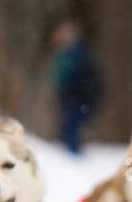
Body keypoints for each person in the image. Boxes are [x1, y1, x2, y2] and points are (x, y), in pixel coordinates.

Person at [48, 20, 100, 155]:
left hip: (78, 99)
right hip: (72, 99)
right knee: (68, 129)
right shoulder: (67, 54)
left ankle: (73, 159)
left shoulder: (77, 54)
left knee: (71, 129)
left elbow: (85, 78)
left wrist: (75, 94)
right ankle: (71, 157)